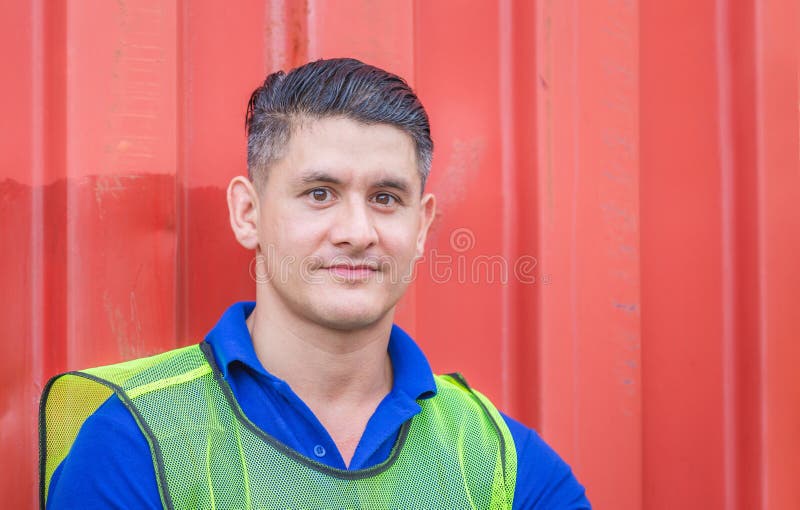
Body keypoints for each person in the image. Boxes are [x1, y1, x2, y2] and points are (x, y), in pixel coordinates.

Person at [40, 58, 591, 509]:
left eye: (385, 198)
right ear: (248, 213)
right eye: (319, 194)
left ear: (422, 227)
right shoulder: (134, 441)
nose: (358, 232)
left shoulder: (504, 466)